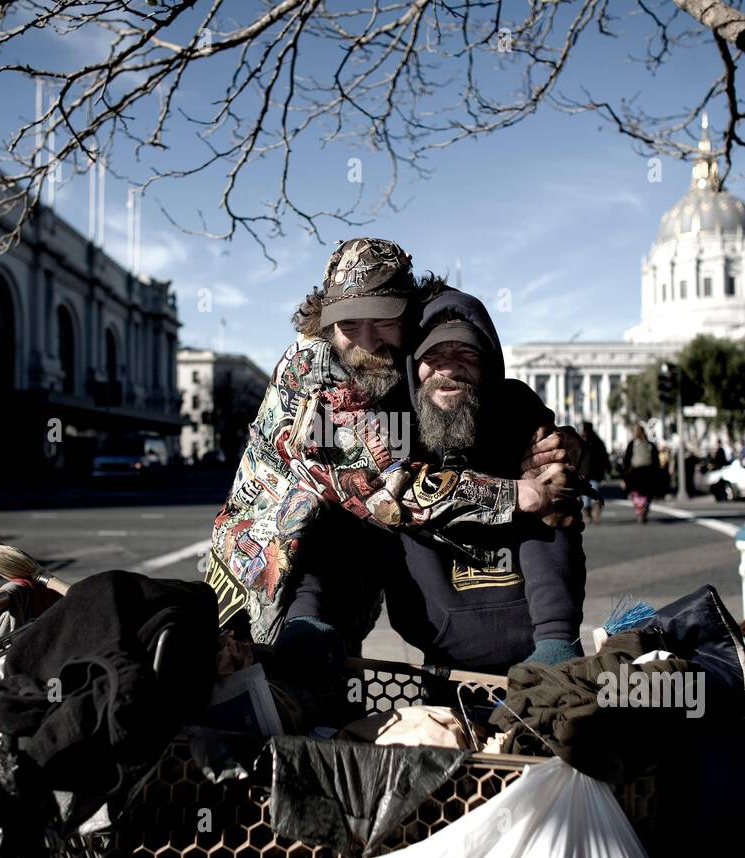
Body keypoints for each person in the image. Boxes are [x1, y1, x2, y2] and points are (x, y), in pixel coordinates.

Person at [207, 237, 583, 650]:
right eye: (349, 325)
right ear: (327, 322)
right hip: (264, 585)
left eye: (381, 320)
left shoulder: (393, 377)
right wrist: (520, 494)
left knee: (327, 701)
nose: (366, 340)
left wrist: (561, 443)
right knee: (268, 695)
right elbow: (387, 491)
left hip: (336, 603)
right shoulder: (314, 370)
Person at [286, 292, 588, 675]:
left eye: (467, 355)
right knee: (357, 499)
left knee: (550, 488)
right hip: (440, 642)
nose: (450, 369)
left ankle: (556, 641)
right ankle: (312, 630)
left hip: (534, 640)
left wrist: (557, 639)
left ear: (490, 365)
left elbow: (560, 476)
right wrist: (308, 615)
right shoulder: (385, 419)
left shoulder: (514, 410)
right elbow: (332, 522)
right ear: (415, 365)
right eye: (435, 356)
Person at [622, 424, 661, 523]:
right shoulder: (650, 444)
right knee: (648, 493)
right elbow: (656, 460)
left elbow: (627, 459)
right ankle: (644, 507)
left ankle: (640, 508)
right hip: (648, 472)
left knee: (635, 492)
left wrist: (624, 473)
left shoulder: (632, 444)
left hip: (636, 472)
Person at [578, 421, 610, 524]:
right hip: (583, 473)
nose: (583, 432)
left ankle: (596, 512)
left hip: (595, 473)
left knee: (594, 492)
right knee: (585, 495)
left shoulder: (597, 442)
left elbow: (605, 457)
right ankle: (587, 514)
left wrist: (607, 469)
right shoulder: (579, 441)